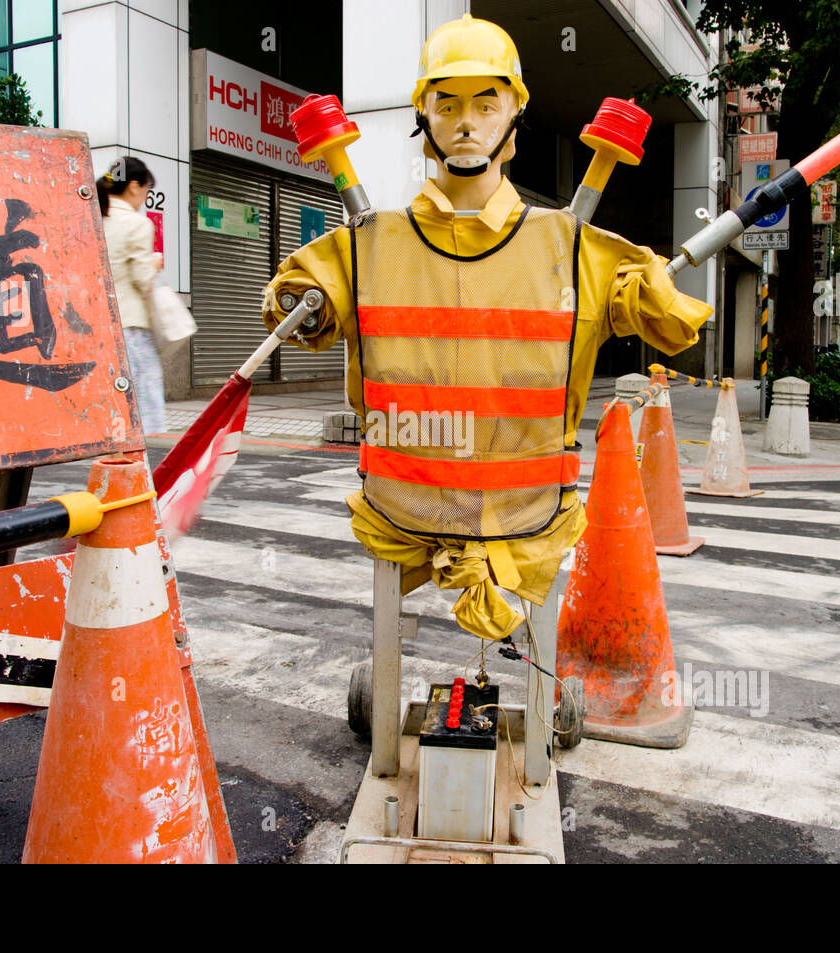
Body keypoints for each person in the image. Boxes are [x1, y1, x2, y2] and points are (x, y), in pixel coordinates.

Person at [261, 14, 713, 641]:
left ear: (514, 116)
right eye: (447, 105)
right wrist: (303, 303)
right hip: (401, 511)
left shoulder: (572, 242)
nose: (466, 122)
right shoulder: (367, 244)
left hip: (528, 512)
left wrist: (648, 291)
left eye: (485, 102)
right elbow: (298, 304)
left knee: (534, 665)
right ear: (423, 116)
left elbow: (668, 321)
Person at [98, 157, 166, 435]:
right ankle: (134, 471)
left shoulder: (95, 217)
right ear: (135, 186)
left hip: (99, 328)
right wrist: (154, 264)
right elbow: (141, 279)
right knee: (141, 409)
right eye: (147, 191)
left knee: (112, 406)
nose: (145, 198)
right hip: (130, 328)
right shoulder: (137, 224)